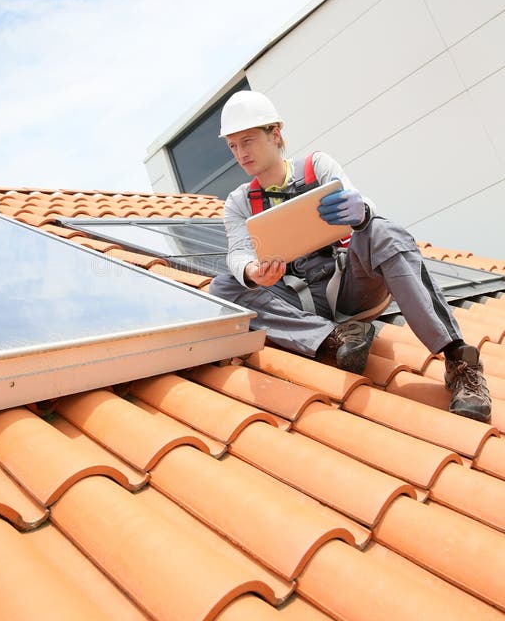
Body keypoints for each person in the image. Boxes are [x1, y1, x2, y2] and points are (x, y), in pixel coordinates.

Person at [210, 90, 492, 424]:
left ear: (275, 134)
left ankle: (459, 361)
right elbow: (238, 253)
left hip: (351, 286)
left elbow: (362, 206)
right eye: (233, 146)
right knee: (224, 287)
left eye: (247, 141)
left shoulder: (318, 167)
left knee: (384, 231)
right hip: (298, 299)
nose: (240, 153)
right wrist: (254, 272)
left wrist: (362, 214)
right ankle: (335, 339)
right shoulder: (238, 203)